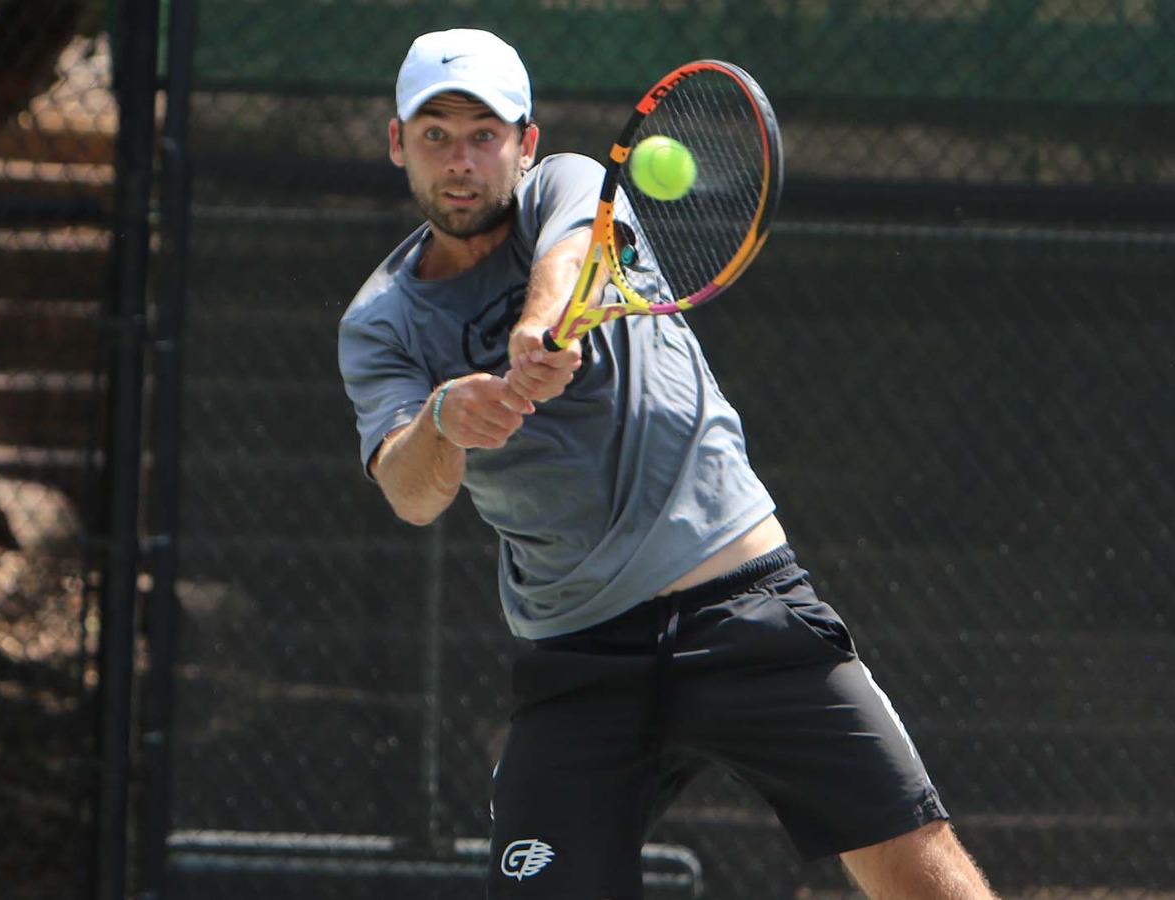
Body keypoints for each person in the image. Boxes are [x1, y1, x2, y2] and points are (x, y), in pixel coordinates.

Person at [338, 27, 997, 900]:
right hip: (576, 654)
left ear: (525, 144)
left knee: (917, 867)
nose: (460, 160)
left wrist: (538, 329)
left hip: (741, 601)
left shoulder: (576, 186)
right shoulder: (379, 323)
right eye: (435, 135)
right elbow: (409, 490)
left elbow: (570, 258)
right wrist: (445, 420)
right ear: (398, 144)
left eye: (483, 135)